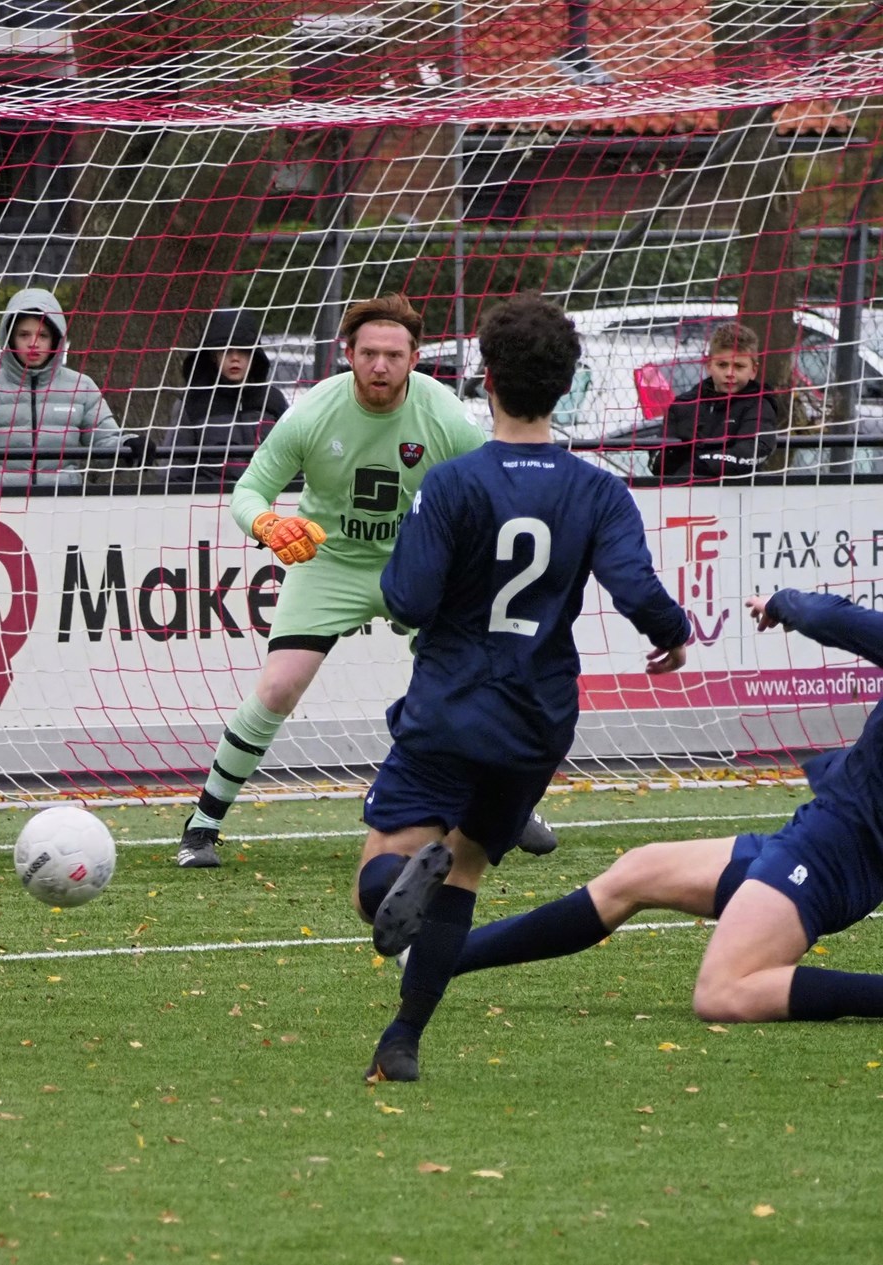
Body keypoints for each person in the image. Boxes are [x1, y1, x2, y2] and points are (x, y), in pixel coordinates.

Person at [361, 294, 691, 1084]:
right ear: (566, 384)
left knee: (378, 882)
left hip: (449, 702)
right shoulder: (599, 490)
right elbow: (635, 587)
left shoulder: (452, 483)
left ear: (489, 380)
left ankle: (401, 880)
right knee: (466, 874)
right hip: (537, 719)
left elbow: (407, 600)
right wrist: (672, 631)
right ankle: (400, 1043)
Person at [174, 293, 558, 870]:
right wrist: (268, 522)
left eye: (395, 355)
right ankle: (202, 825)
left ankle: (506, 804)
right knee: (279, 688)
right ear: (347, 353)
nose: (381, 366)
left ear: (415, 357)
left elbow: (494, 484)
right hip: (330, 564)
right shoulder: (311, 412)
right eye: (370, 353)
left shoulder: (445, 414)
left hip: (419, 560)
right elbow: (248, 492)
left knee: (473, 683)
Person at [453, 588, 883, 1026]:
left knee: (722, 994)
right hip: (828, 841)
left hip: (829, 854)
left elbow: (823, 614)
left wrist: (779, 603)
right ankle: (439, 958)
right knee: (638, 872)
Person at [0, 287, 141, 492]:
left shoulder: (81, 387)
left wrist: (129, 446)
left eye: (43, 335)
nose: (33, 344)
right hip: (0, 507)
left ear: (56, 339)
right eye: (24, 335)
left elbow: (105, 443)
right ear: (10, 338)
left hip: (62, 505)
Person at [165, 308, 291, 492]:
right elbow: (175, 471)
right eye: (226, 350)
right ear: (213, 356)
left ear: (254, 355)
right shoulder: (192, 403)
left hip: (267, 503)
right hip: (207, 504)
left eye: (243, 350)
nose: (235, 358)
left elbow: (293, 461)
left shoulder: (273, 400)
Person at [650, 322, 778, 484]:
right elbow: (656, 462)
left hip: (738, 498)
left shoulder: (760, 405)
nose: (729, 373)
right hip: (679, 495)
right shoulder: (684, 404)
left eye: (739, 366)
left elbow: (752, 452)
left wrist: (696, 465)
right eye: (722, 365)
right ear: (709, 365)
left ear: (754, 370)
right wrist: (675, 456)